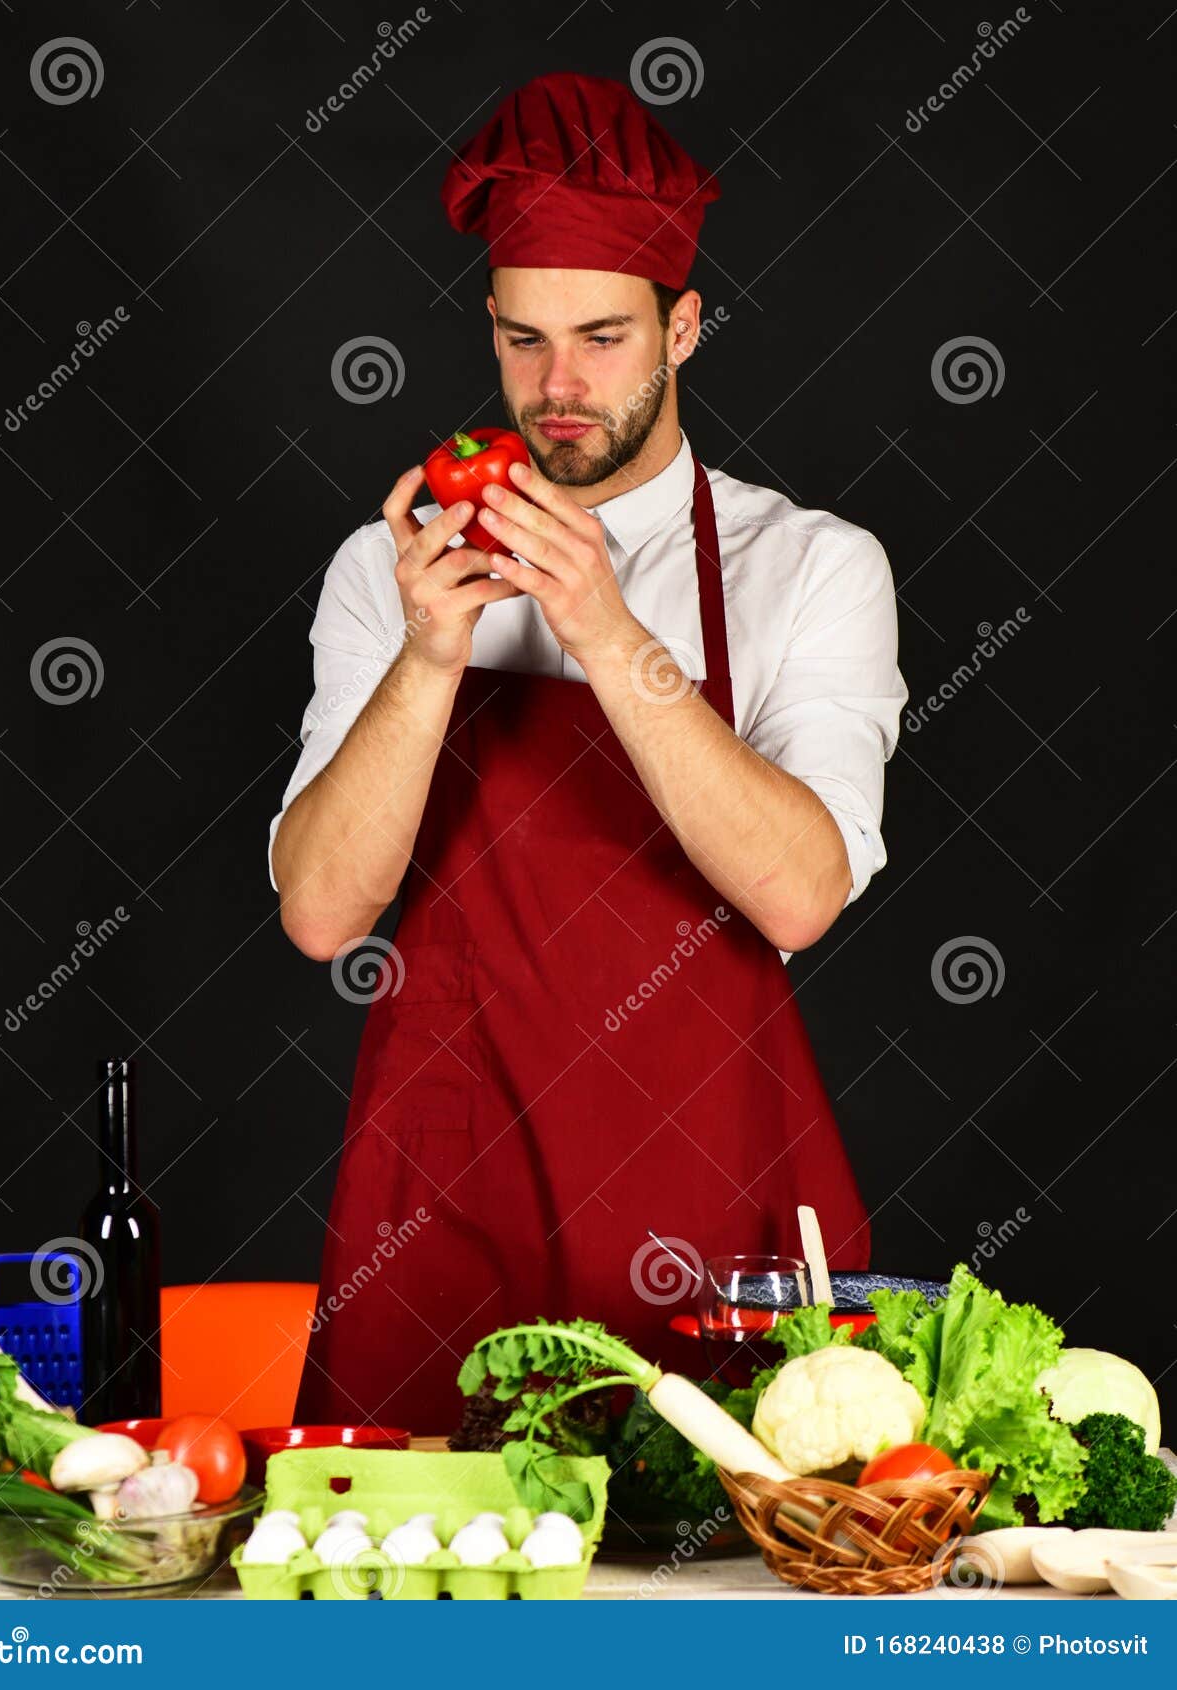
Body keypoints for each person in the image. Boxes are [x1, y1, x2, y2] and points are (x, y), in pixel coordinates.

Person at [268, 72, 908, 1433]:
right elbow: (323, 911)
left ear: (682, 325)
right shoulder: (387, 572)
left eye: (603, 337)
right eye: (522, 340)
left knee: (722, 1609)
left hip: (708, 1210)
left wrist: (606, 627)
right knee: (421, 1597)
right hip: (440, 1207)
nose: (557, 388)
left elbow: (799, 891)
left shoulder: (809, 565)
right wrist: (430, 656)